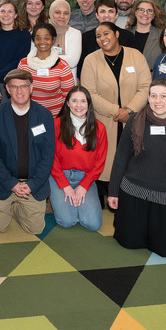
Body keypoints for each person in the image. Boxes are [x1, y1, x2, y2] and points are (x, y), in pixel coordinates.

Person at [108, 79, 166, 257]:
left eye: (163, 96)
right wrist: (113, 192)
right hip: (133, 193)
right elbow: (120, 158)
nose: (158, 101)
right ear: (148, 98)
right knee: (128, 243)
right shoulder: (135, 121)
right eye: (154, 96)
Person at [80, 22, 152, 202]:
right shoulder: (90, 60)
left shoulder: (135, 56)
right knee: (105, 161)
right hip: (104, 119)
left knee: (132, 158)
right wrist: (116, 111)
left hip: (133, 119)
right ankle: (104, 196)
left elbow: (145, 87)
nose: (102, 38)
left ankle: (129, 196)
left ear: (117, 34)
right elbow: (89, 93)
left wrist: (129, 110)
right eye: (98, 36)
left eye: (106, 34)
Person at [0, 68, 56, 235]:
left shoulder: (44, 115)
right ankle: (8, 207)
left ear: (31, 88)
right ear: (7, 89)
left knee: (35, 229)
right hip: (3, 183)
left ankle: (16, 209)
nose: (19, 91)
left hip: (32, 184)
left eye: (24, 86)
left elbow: (48, 155)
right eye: (14, 87)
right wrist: (12, 184)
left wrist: (32, 185)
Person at [50, 86, 107, 231]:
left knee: (93, 224)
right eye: (74, 101)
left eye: (83, 101)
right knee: (67, 221)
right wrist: (65, 186)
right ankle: (69, 205)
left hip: (85, 177)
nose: (78, 105)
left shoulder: (99, 128)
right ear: (68, 103)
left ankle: (77, 204)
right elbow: (51, 158)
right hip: (60, 176)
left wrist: (83, 186)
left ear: (88, 104)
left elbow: (100, 162)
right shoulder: (56, 124)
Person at [0, 1, 30, 116]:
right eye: (2, 11)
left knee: (9, 121)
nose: (6, 15)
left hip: (11, 84)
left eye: (10, 11)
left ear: (16, 15)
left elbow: (18, 62)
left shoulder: (23, 34)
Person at [18, 22, 75, 114]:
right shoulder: (23, 64)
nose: (42, 42)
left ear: (53, 39)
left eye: (46, 38)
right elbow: (18, 92)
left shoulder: (62, 66)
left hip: (55, 116)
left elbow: (70, 96)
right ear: (33, 40)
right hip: (28, 115)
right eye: (38, 38)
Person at [77, 0, 136, 77]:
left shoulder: (128, 36)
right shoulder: (86, 38)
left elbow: (134, 63)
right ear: (97, 15)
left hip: (124, 79)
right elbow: (81, 67)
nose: (107, 15)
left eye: (111, 11)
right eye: (103, 11)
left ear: (116, 15)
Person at [127, 0, 166, 69]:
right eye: (141, 10)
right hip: (129, 75)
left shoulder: (162, 35)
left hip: (153, 75)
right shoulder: (125, 34)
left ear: (154, 15)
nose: (145, 13)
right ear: (135, 13)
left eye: (150, 11)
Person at [49, 0, 82, 80]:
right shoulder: (41, 31)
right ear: (51, 13)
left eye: (66, 13)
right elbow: (33, 57)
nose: (62, 16)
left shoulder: (75, 33)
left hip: (67, 82)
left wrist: (45, 56)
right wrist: (63, 57)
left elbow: (72, 62)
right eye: (58, 12)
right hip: (44, 81)